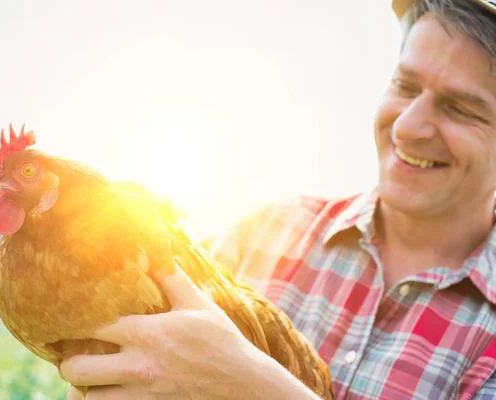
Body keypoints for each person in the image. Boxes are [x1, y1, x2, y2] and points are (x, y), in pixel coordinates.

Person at [59, 0, 496, 398]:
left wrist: (247, 383)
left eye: (459, 108)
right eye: (405, 85)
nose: (407, 127)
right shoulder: (268, 230)